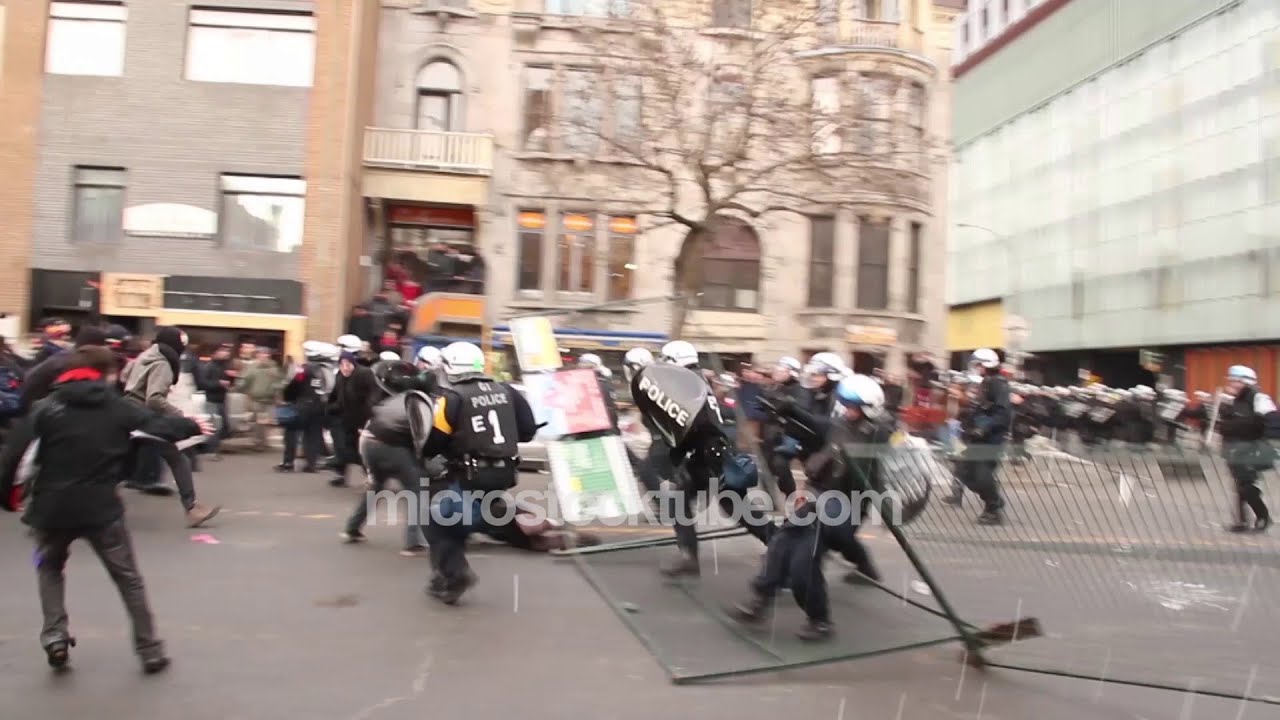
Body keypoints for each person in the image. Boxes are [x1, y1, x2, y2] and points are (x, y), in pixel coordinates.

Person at [0, 346, 212, 672]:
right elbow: (157, 425)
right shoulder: (117, 408)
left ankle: (55, 636)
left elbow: (15, 455)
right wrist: (193, 425)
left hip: (51, 509)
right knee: (128, 578)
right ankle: (149, 649)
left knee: (49, 567)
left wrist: (7, 497)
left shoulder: (46, 408)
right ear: (106, 374)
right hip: (102, 510)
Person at [729, 374, 892, 641]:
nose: (846, 411)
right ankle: (761, 599)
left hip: (845, 509)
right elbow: (817, 424)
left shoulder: (877, 434)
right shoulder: (840, 425)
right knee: (781, 544)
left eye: (853, 407)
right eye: (846, 405)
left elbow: (879, 469)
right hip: (820, 501)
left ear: (869, 408)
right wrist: (789, 409)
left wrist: (887, 508)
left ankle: (820, 621)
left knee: (803, 559)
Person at [419, 342, 539, 605]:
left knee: (436, 521)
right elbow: (528, 430)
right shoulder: (508, 391)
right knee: (461, 516)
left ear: (451, 367)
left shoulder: (452, 398)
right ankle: (444, 576)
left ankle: (455, 576)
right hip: (505, 473)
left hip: (471, 474)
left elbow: (434, 443)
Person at [342, 360, 428, 555]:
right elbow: (422, 437)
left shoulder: (392, 400)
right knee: (417, 488)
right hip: (391, 446)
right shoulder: (420, 403)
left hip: (368, 443)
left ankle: (352, 528)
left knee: (376, 487)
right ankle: (413, 542)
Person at [949, 348, 1013, 525]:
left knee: (981, 475)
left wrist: (983, 427)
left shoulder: (998, 384)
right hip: (977, 438)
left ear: (985, 365)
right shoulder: (986, 383)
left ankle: (993, 508)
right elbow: (980, 408)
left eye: (978, 364)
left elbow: (1003, 413)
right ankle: (993, 501)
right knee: (966, 473)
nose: (976, 368)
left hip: (991, 439)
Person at [1217, 365, 1276, 533]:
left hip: (1249, 449)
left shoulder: (1259, 398)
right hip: (1233, 448)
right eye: (1231, 380)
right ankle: (1242, 521)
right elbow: (1225, 424)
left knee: (1246, 486)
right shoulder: (1234, 400)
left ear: (1245, 382)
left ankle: (1263, 516)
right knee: (1239, 485)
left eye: (1235, 380)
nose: (1232, 383)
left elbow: (1271, 422)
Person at [276, 342, 335, 473]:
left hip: (302, 405)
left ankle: (288, 462)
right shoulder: (329, 370)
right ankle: (311, 464)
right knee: (313, 434)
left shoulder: (304, 369)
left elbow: (294, 385)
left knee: (291, 432)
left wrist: (288, 397)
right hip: (320, 406)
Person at [328, 349, 378, 487]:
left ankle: (372, 477)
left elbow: (373, 394)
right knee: (343, 447)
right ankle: (341, 475)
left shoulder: (364, 374)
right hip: (346, 418)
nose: (345, 368)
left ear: (353, 363)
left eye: (348, 364)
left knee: (362, 450)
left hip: (363, 419)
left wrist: (369, 415)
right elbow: (336, 394)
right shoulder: (340, 376)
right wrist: (330, 408)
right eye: (342, 364)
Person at [236, 346, 283, 451]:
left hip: (269, 399)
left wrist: (277, 393)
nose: (263, 355)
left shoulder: (274, 368)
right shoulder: (251, 367)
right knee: (259, 422)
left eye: (266, 354)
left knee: (265, 422)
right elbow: (244, 379)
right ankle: (259, 442)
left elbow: (279, 382)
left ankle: (262, 441)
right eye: (261, 353)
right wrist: (240, 387)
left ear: (269, 355)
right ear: (257, 355)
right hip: (255, 398)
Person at [196, 343, 235, 459]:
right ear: (215, 353)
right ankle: (211, 451)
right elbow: (202, 383)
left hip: (222, 400)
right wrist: (219, 383)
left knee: (223, 426)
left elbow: (229, 383)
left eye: (226, 351)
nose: (226, 353)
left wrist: (232, 378)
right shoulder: (209, 366)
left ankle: (214, 448)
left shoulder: (225, 366)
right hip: (211, 400)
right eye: (222, 351)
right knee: (214, 426)